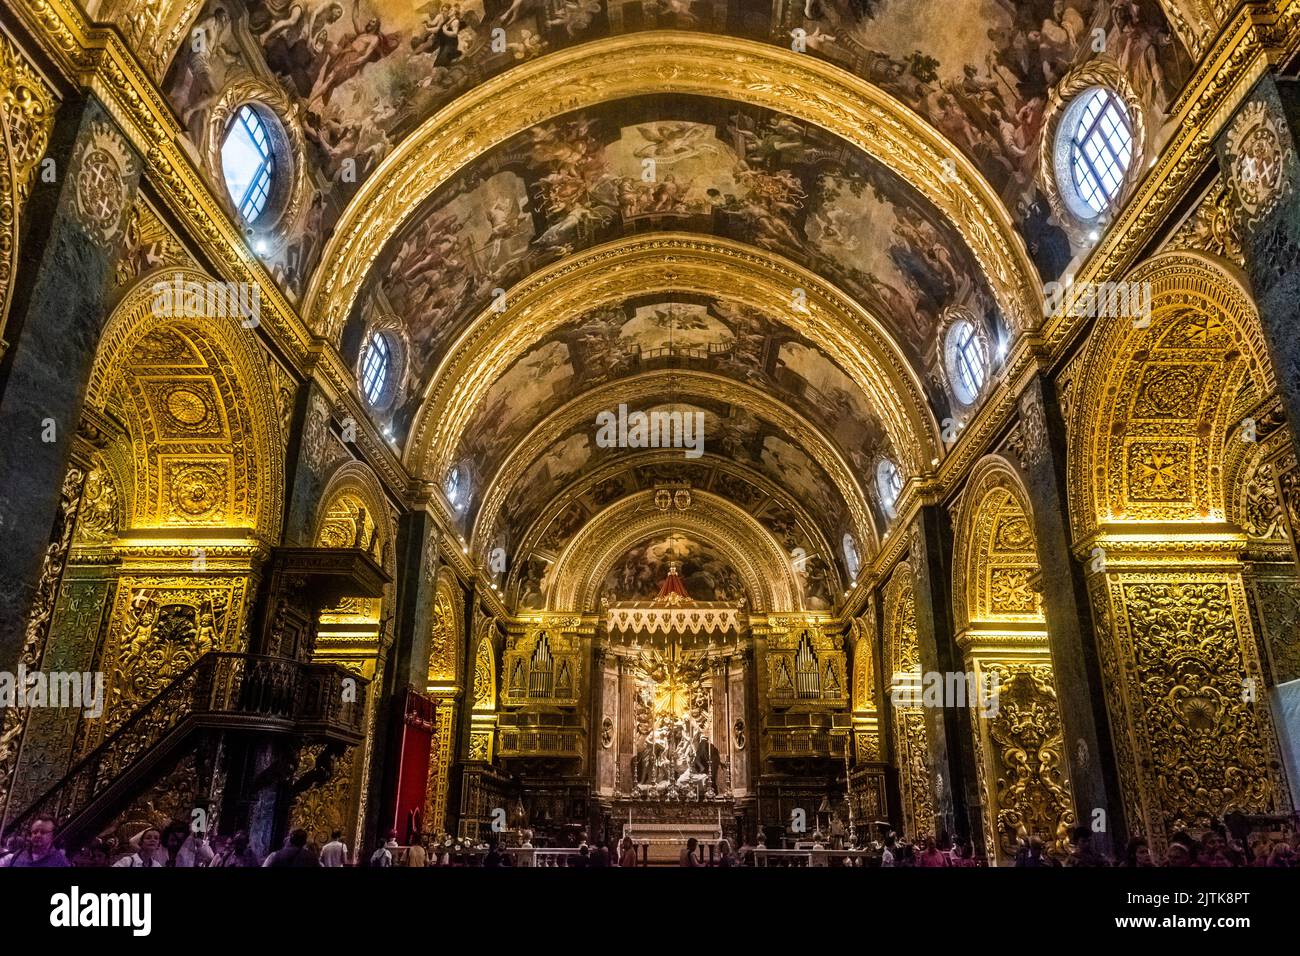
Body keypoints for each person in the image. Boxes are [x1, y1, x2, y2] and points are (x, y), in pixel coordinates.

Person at [3, 815, 70, 867]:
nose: (38, 835)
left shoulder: (60, 862)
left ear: (53, 835)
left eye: (43, 832)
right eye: (34, 832)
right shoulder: (18, 855)